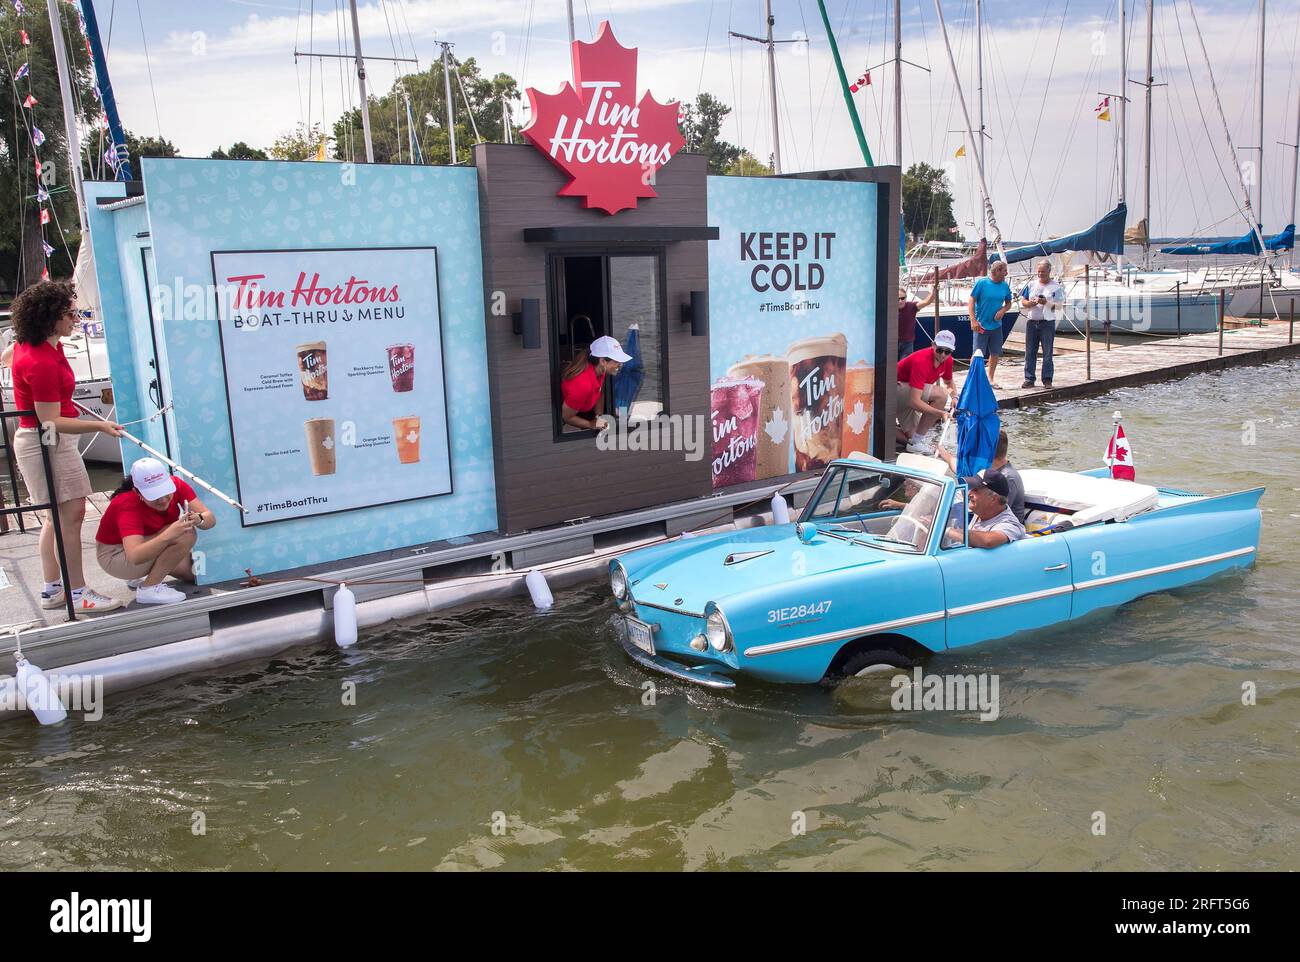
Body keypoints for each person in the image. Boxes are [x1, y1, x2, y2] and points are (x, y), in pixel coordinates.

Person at [9, 280, 126, 612]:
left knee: (56, 517)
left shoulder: (35, 346)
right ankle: (78, 593)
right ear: (50, 317)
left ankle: (52, 588)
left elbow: (9, 359)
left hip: (45, 441)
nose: (77, 319)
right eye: (71, 314)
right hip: (47, 441)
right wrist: (100, 426)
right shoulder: (40, 361)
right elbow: (50, 420)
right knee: (71, 516)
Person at [95, 458, 214, 604]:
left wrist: (199, 518)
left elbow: (210, 519)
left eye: (165, 492)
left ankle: (140, 577)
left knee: (195, 573)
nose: (163, 500)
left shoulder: (176, 484)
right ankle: (149, 589)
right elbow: (135, 556)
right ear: (137, 492)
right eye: (154, 495)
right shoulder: (126, 504)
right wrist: (170, 534)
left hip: (143, 543)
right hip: (116, 557)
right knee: (185, 533)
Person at [936, 428, 1026, 522]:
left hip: (994, 528)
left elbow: (989, 514)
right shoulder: (988, 470)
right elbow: (959, 467)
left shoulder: (1006, 479)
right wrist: (943, 453)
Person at [895, 329, 957, 455]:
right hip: (894, 390)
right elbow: (914, 401)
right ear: (933, 345)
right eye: (940, 350)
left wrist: (954, 396)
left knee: (914, 438)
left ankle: (912, 442)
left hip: (908, 393)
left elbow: (949, 382)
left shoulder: (948, 361)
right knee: (941, 395)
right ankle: (914, 442)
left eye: (948, 351)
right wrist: (940, 413)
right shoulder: (922, 361)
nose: (943, 355)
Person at [559, 334, 630, 431]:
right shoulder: (582, 385)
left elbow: (599, 393)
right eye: (617, 361)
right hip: (569, 414)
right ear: (602, 361)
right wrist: (591, 424)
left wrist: (598, 417)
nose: (621, 364)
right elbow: (567, 417)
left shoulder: (600, 370)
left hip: (583, 407)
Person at [946, 470, 1026, 548]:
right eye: (971, 488)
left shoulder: (1009, 525)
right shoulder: (982, 510)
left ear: (993, 499)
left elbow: (988, 541)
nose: (969, 493)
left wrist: (947, 531)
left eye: (976, 490)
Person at [1018, 258, 1065, 387]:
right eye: (1038, 271)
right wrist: (1030, 303)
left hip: (1047, 322)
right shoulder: (1031, 285)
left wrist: (1046, 303)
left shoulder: (1056, 287)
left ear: (1049, 271)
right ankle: (1029, 379)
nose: (1040, 274)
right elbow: (1023, 300)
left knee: (1047, 352)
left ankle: (1047, 379)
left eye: (1043, 272)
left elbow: (1060, 306)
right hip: (1032, 321)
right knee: (1030, 352)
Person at [968, 260, 1013, 384]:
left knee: (995, 353)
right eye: (1004, 271)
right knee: (977, 354)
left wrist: (1003, 310)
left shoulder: (1004, 285)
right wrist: (973, 320)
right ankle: (974, 379)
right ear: (998, 271)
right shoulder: (982, 283)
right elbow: (971, 300)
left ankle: (990, 378)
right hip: (981, 325)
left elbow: (1009, 303)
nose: (1006, 273)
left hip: (996, 326)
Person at [897, 285, 939, 361]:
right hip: (892, 343)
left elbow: (927, 302)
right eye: (898, 299)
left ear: (906, 298)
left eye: (903, 298)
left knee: (905, 366)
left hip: (907, 343)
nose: (900, 301)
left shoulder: (911, 306)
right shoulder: (889, 308)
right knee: (891, 367)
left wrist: (934, 292)